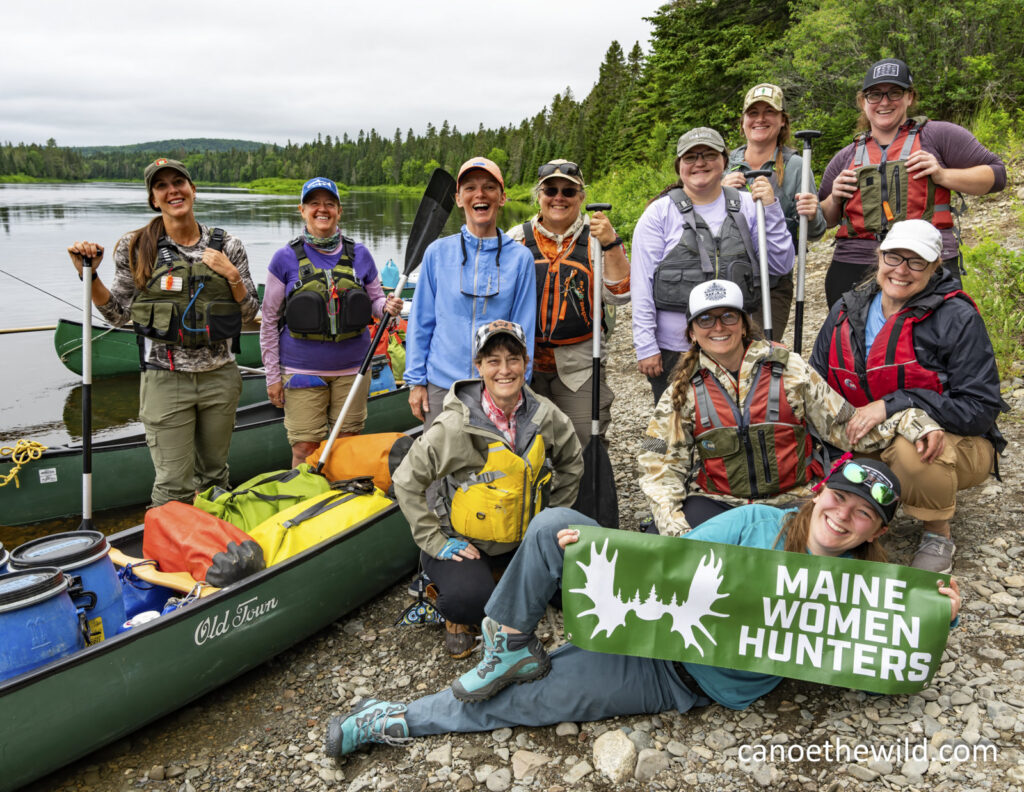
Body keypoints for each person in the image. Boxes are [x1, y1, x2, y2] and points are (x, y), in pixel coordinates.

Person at [324, 458, 962, 755]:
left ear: (876, 531)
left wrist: (934, 620)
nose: (844, 518)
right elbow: (667, 562)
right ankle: (508, 642)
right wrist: (602, 546)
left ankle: (399, 719)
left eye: (863, 516)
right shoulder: (755, 523)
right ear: (820, 492)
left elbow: (878, 661)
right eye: (840, 501)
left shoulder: (868, 589)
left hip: (672, 674)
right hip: (648, 615)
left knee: (526, 706)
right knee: (551, 527)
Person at [637, 279, 941, 534]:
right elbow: (659, 467)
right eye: (705, 319)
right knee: (660, 540)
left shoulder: (791, 369)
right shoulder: (681, 389)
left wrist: (910, 421)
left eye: (728, 316)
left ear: (744, 325)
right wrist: (674, 526)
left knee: (834, 544)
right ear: (692, 332)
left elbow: (846, 427)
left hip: (793, 499)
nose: (718, 327)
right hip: (719, 502)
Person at [811, 219, 1005, 574]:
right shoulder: (844, 310)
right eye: (893, 257)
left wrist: (894, 404)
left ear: (935, 267)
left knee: (910, 450)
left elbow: (980, 409)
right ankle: (852, 518)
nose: (902, 270)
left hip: (955, 443)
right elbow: (816, 389)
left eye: (916, 262)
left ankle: (937, 532)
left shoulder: (957, 317)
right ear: (879, 256)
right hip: (864, 437)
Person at [66, 158, 260, 506]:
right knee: (173, 486)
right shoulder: (137, 246)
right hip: (164, 379)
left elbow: (249, 314)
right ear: (153, 199)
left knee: (216, 478)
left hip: (221, 377)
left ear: (193, 190)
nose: (173, 191)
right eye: (162, 186)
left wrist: (232, 277)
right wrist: (90, 276)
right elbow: (119, 316)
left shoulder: (229, 245)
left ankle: (214, 549)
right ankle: (168, 555)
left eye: (179, 182)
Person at [392, 320, 583, 658]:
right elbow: (406, 481)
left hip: (523, 539)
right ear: (478, 366)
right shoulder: (453, 426)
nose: (504, 370)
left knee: (578, 589)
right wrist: (435, 540)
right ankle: (453, 604)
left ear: (526, 363)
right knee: (470, 602)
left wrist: (554, 521)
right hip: (467, 542)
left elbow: (571, 463)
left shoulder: (546, 416)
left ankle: (504, 575)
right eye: (493, 360)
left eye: (513, 359)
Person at [818, 58, 1007, 307]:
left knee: (930, 342)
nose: (884, 102)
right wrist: (834, 198)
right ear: (863, 102)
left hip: (923, 259)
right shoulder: (845, 156)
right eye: (875, 95)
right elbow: (824, 221)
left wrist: (942, 175)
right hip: (854, 264)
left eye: (894, 93)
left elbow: (997, 175)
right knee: (851, 343)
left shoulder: (939, 136)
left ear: (909, 97)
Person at [631, 127, 794, 405]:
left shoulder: (747, 204)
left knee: (735, 422)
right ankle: (661, 450)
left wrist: (771, 210)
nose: (700, 163)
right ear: (679, 166)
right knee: (673, 425)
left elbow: (780, 264)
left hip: (735, 342)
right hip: (675, 348)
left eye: (709, 154)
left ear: (724, 161)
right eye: (690, 157)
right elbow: (641, 285)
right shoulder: (658, 213)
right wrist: (646, 345)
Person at [259, 177, 403, 467]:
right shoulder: (284, 258)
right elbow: (269, 321)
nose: (321, 209)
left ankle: (342, 502)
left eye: (329, 204)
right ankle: (305, 501)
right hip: (301, 371)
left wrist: (387, 306)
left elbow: (375, 303)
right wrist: (272, 376)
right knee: (304, 448)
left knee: (348, 445)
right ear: (302, 210)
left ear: (339, 211)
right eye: (314, 204)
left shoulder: (360, 254)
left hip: (354, 371)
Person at [404, 157, 537, 428]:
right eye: (470, 188)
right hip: (442, 386)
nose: (480, 194)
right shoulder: (437, 253)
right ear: (458, 198)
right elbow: (420, 322)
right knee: (442, 466)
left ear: (502, 198)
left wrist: (520, 384)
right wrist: (416, 382)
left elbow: (525, 330)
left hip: (497, 385)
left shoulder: (520, 258)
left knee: (495, 468)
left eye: (489, 187)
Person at [506, 159, 630, 443]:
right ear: (539, 195)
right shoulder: (516, 239)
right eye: (551, 190)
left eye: (568, 191)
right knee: (526, 441)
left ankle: (585, 485)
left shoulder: (600, 238)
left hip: (579, 364)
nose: (559, 197)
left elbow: (620, 294)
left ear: (581, 197)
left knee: (583, 437)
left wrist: (610, 244)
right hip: (525, 364)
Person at [722, 83, 827, 335]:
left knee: (761, 351)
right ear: (743, 121)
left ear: (782, 120)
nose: (760, 119)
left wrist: (812, 214)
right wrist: (719, 192)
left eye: (769, 112)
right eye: (753, 112)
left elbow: (815, 232)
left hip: (773, 283)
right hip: (726, 278)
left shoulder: (796, 166)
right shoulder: (723, 164)